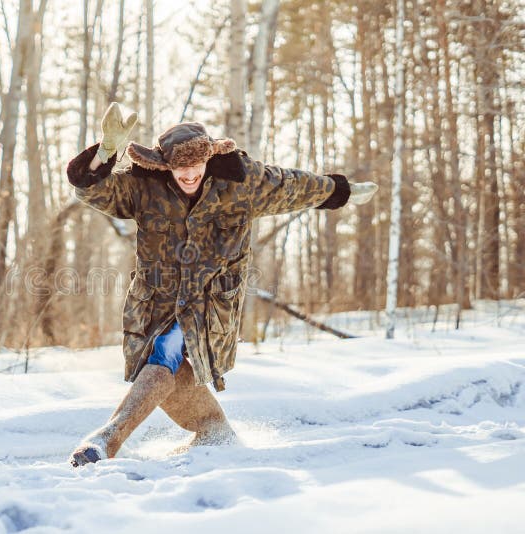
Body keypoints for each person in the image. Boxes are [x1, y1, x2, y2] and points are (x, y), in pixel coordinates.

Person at [66, 103, 377, 467]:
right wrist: (105, 152)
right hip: (154, 303)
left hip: (209, 304)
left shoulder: (241, 183)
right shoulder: (145, 187)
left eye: (195, 165)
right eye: (180, 168)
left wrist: (342, 191)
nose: (189, 175)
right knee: (164, 370)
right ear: (166, 165)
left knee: (164, 353)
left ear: (209, 158)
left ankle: (106, 440)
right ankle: (215, 432)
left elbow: (292, 186)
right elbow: (94, 192)